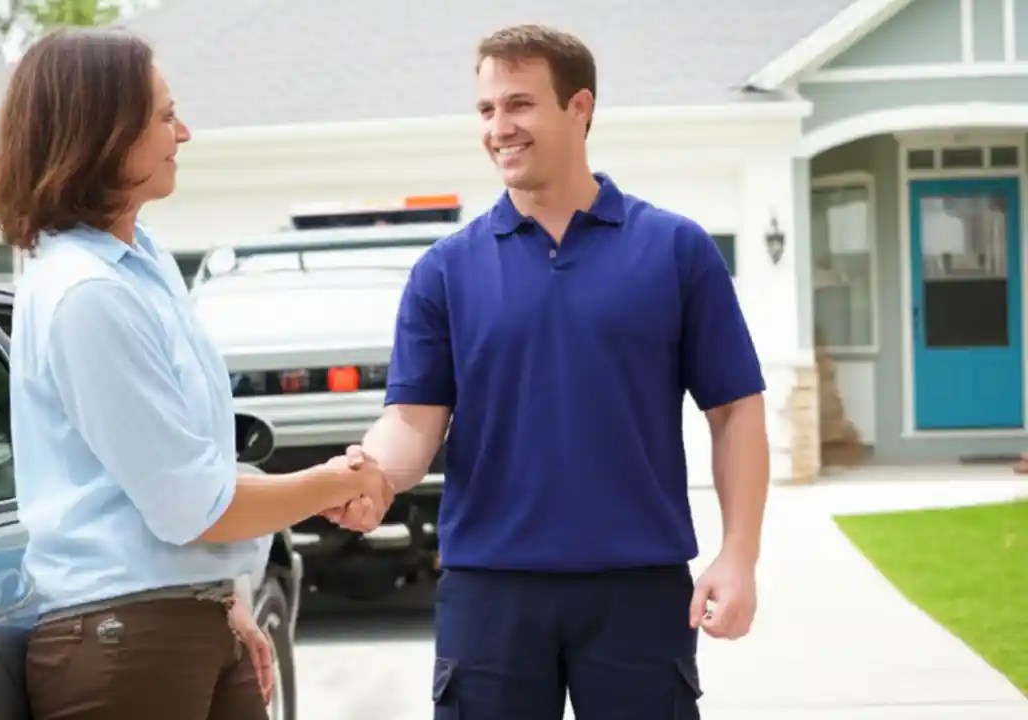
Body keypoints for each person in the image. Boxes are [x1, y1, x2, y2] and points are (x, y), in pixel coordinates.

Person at [326, 23, 771, 719]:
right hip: (490, 591)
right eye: (486, 109)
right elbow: (412, 421)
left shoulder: (675, 250)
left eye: (519, 104)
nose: (498, 127)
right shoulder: (445, 270)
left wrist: (738, 555)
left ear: (579, 107)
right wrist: (371, 474)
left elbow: (736, 409)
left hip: (638, 588)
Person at [0, 29, 391, 720]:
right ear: (103, 132)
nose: (184, 132)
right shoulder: (87, 293)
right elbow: (189, 504)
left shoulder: (138, 263)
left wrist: (222, 598)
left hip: (179, 624)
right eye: (164, 116)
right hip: (126, 644)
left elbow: (182, 475)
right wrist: (335, 482)